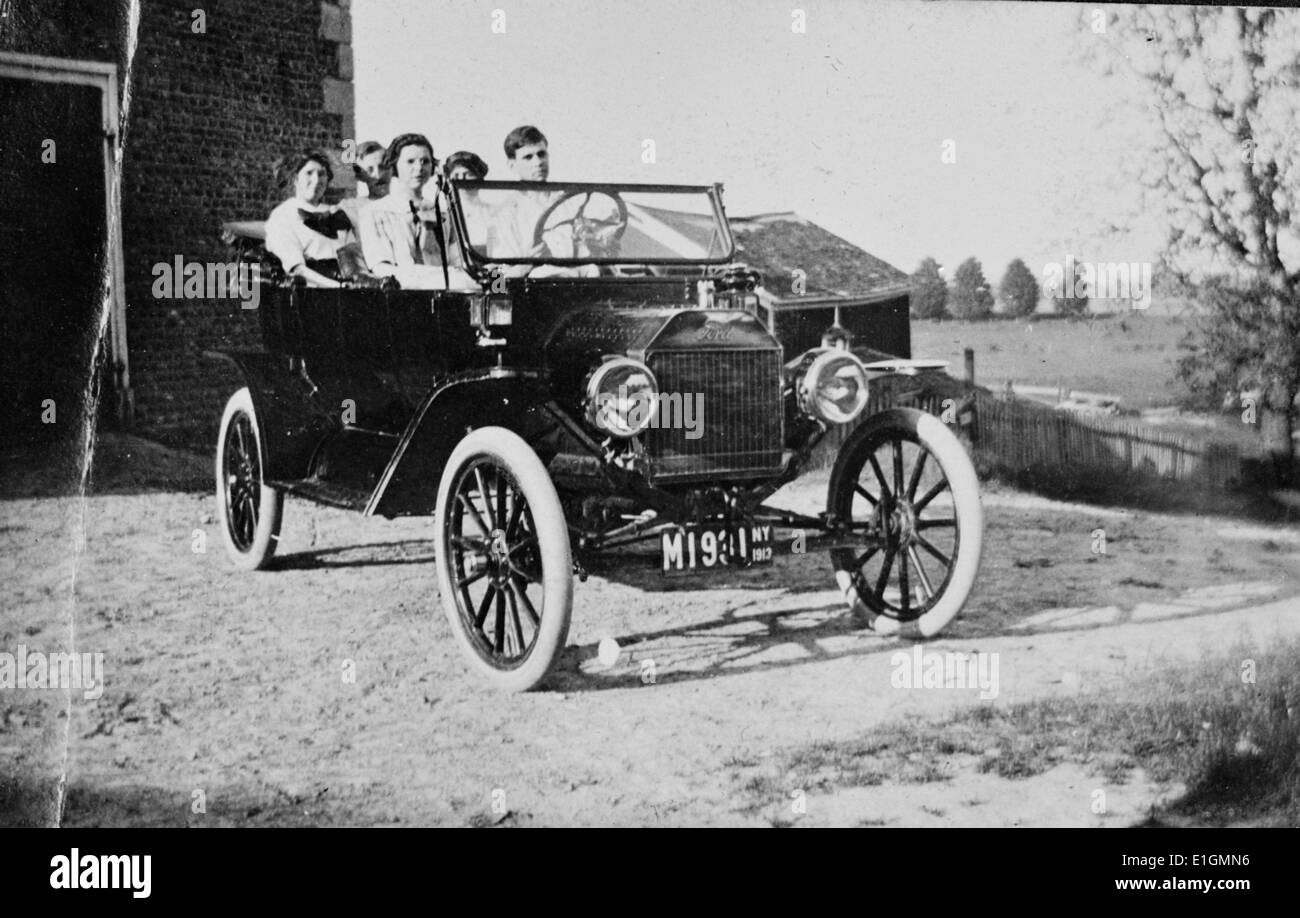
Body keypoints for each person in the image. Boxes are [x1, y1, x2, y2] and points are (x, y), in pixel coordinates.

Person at [359, 132, 472, 289]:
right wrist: (434, 278)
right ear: (394, 165)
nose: (419, 168)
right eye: (410, 161)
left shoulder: (443, 213)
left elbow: (458, 261)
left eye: (425, 161)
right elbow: (381, 268)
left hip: (446, 290)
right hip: (401, 294)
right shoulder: (375, 212)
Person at [265, 150, 359, 288]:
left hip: (347, 286)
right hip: (310, 290)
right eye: (309, 173)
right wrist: (336, 287)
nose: (316, 180)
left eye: (321, 174)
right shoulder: (283, 215)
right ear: (295, 179)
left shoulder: (337, 213)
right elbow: (297, 269)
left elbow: (354, 258)